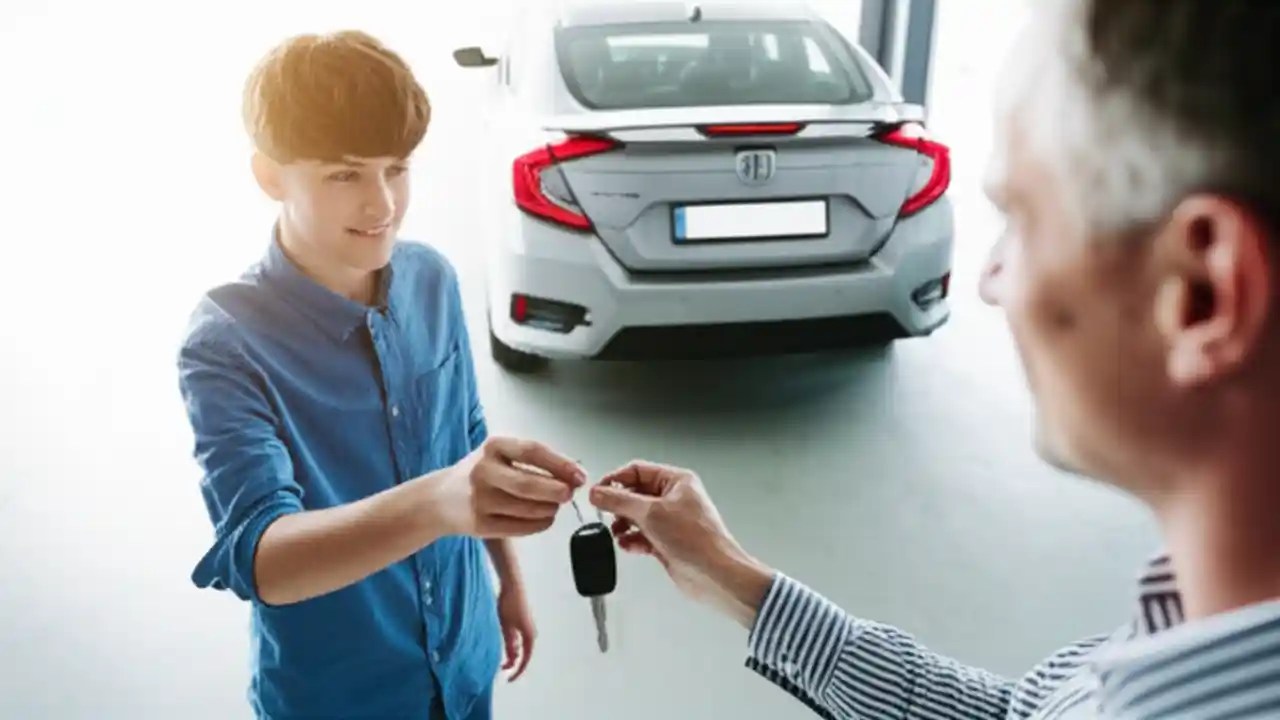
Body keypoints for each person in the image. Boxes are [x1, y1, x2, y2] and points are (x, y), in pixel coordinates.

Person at [589, 1, 1280, 718]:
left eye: (1021, 218)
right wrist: (734, 579)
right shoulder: (1193, 619)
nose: (990, 279)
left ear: (1202, 292)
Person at [176, 31, 585, 719]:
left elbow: (469, 441)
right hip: (339, 698)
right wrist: (439, 503)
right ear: (270, 175)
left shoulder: (433, 280)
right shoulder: (225, 343)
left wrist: (505, 581)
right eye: (344, 174)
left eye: (397, 168)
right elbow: (265, 559)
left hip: (465, 663)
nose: (383, 205)